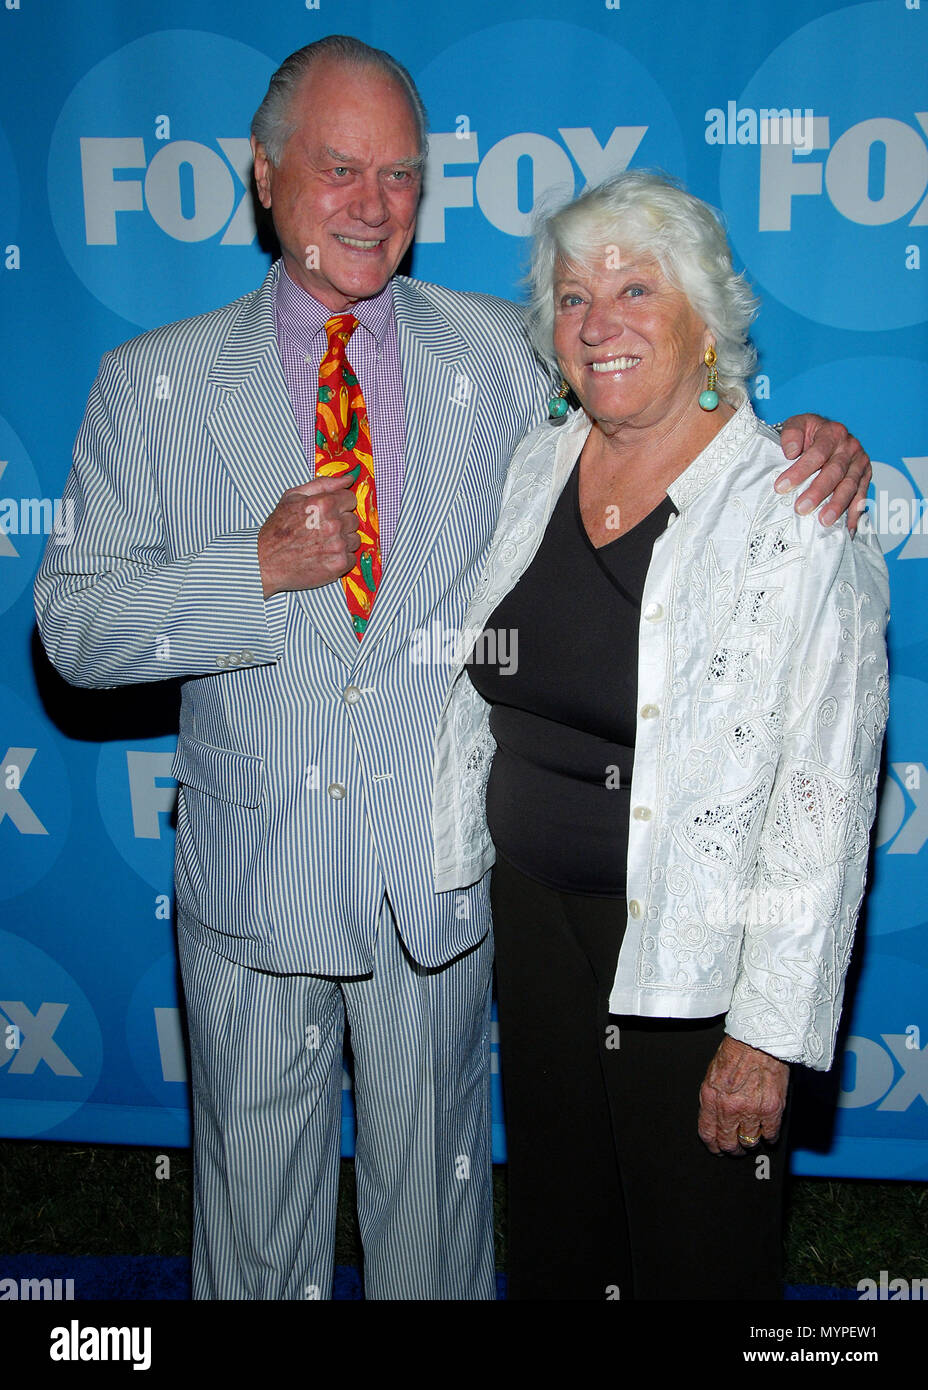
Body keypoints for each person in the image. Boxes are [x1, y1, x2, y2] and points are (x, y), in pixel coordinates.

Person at [35, 38, 871, 1302]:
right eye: (338, 170)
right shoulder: (147, 385)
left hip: (440, 901)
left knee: (440, 1235)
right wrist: (246, 569)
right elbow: (75, 632)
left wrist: (808, 436)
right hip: (255, 887)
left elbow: (666, 386)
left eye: (403, 177)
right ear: (265, 178)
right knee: (257, 1244)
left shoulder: (503, 353)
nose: (373, 206)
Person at [434, 170, 889, 1300]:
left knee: (700, 1258)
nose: (599, 322)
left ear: (706, 325)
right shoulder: (540, 459)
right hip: (532, 918)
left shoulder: (792, 509)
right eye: (574, 297)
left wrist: (766, 1034)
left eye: (636, 289)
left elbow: (820, 803)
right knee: (561, 1235)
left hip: (697, 958)